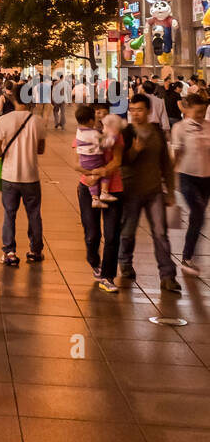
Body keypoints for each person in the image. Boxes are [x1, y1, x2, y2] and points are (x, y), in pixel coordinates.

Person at [117, 94, 180, 292]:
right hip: (130, 190)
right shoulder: (126, 133)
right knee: (127, 231)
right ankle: (125, 263)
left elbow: (166, 164)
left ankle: (168, 275)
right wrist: (134, 151)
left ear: (148, 111)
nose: (135, 114)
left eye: (139, 110)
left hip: (154, 191)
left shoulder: (157, 133)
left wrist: (170, 191)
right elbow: (119, 161)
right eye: (132, 110)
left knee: (161, 233)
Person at [74, 102, 125, 294]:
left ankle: (108, 276)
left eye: (104, 113)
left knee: (112, 235)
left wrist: (101, 171)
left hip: (114, 189)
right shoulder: (83, 135)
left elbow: (117, 160)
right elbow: (76, 163)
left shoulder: (115, 135)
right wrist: (92, 174)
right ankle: (94, 261)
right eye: (97, 114)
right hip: (88, 187)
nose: (100, 117)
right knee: (92, 233)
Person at [0, 98, 46, 266]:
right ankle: (35, 251)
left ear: (13, 99)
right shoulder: (38, 121)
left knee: (9, 213)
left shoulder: (3, 120)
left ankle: (9, 252)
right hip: (31, 176)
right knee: (34, 214)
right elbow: (41, 149)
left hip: (9, 176)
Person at [171, 93, 210, 276]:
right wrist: (169, 178)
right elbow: (176, 154)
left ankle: (188, 257)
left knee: (198, 217)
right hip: (187, 177)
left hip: (206, 179)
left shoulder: (208, 127)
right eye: (198, 111)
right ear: (187, 110)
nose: (201, 115)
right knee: (198, 212)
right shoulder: (180, 128)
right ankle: (186, 257)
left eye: (203, 111)